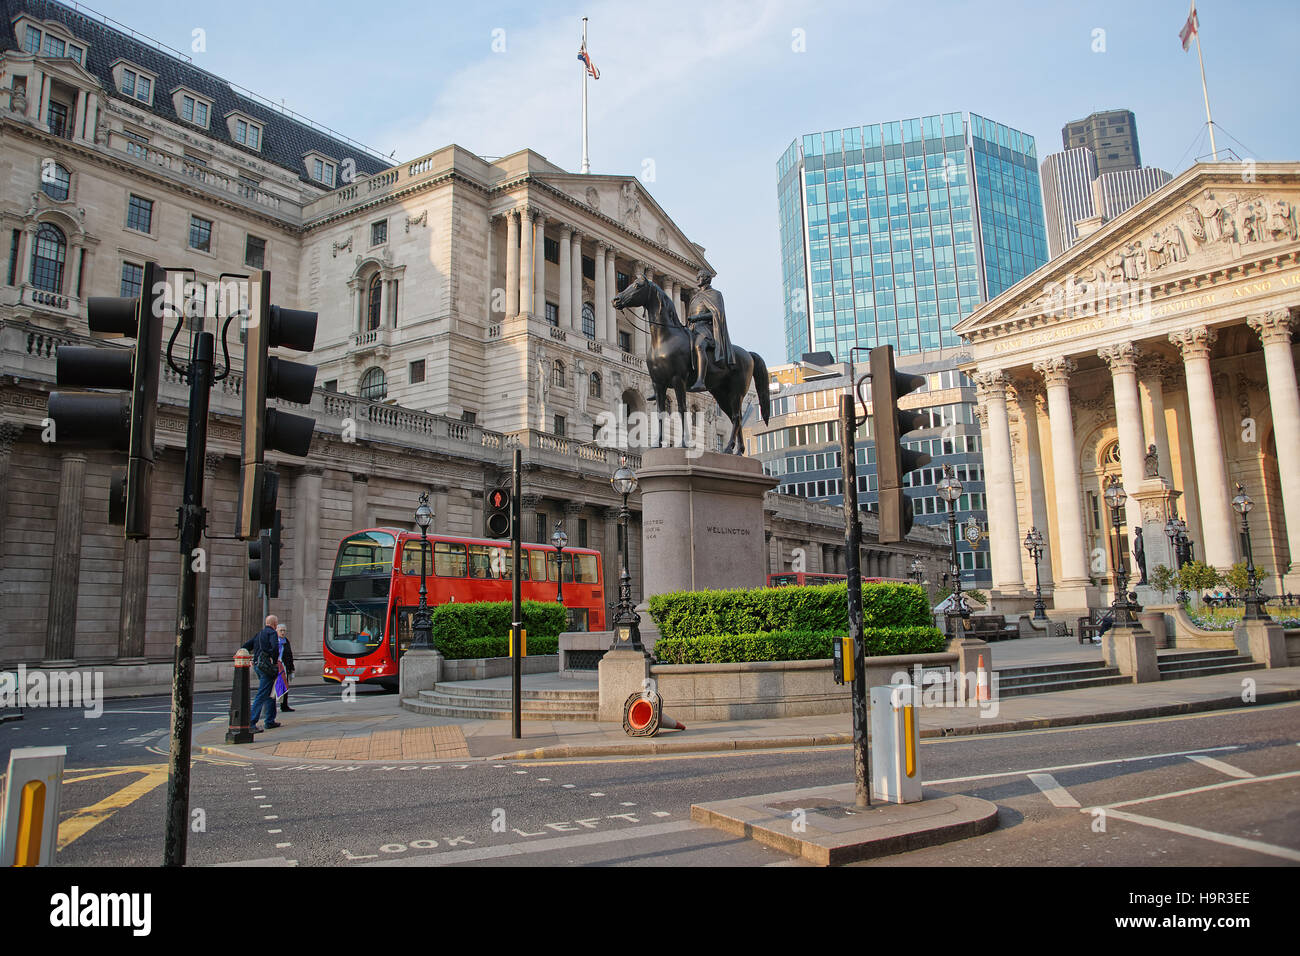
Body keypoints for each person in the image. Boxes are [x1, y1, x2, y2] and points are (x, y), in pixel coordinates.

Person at [684, 271, 736, 392]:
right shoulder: (695, 297)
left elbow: (717, 313)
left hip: (706, 329)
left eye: (700, 277)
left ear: (707, 279)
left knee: (698, 346)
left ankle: (700, 380)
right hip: (693, 329)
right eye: (697, 277)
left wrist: (697, 318)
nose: (697, 279)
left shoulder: (715, 294)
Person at [241, 614, 282, 732]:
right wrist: (274, 661)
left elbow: (245, 647)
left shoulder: (259, 634)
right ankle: (251, 722)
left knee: (270, 693)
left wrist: (248, 659)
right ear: (274, 624)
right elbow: (275, 648)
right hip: (267, 667)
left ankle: (270, 720)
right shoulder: (272, 633)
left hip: (258, 666)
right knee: (262, 694)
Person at [276, 623, 295, 713]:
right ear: (277, 631)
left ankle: (284, 705)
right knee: (275, 687)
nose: (283, 632)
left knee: (285, 686)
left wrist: (291, 668)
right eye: (281, 630)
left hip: (284, 666)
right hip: (276, 667)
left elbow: (289, 655)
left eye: (284, 630)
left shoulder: (286, 641)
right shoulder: (275, 641)